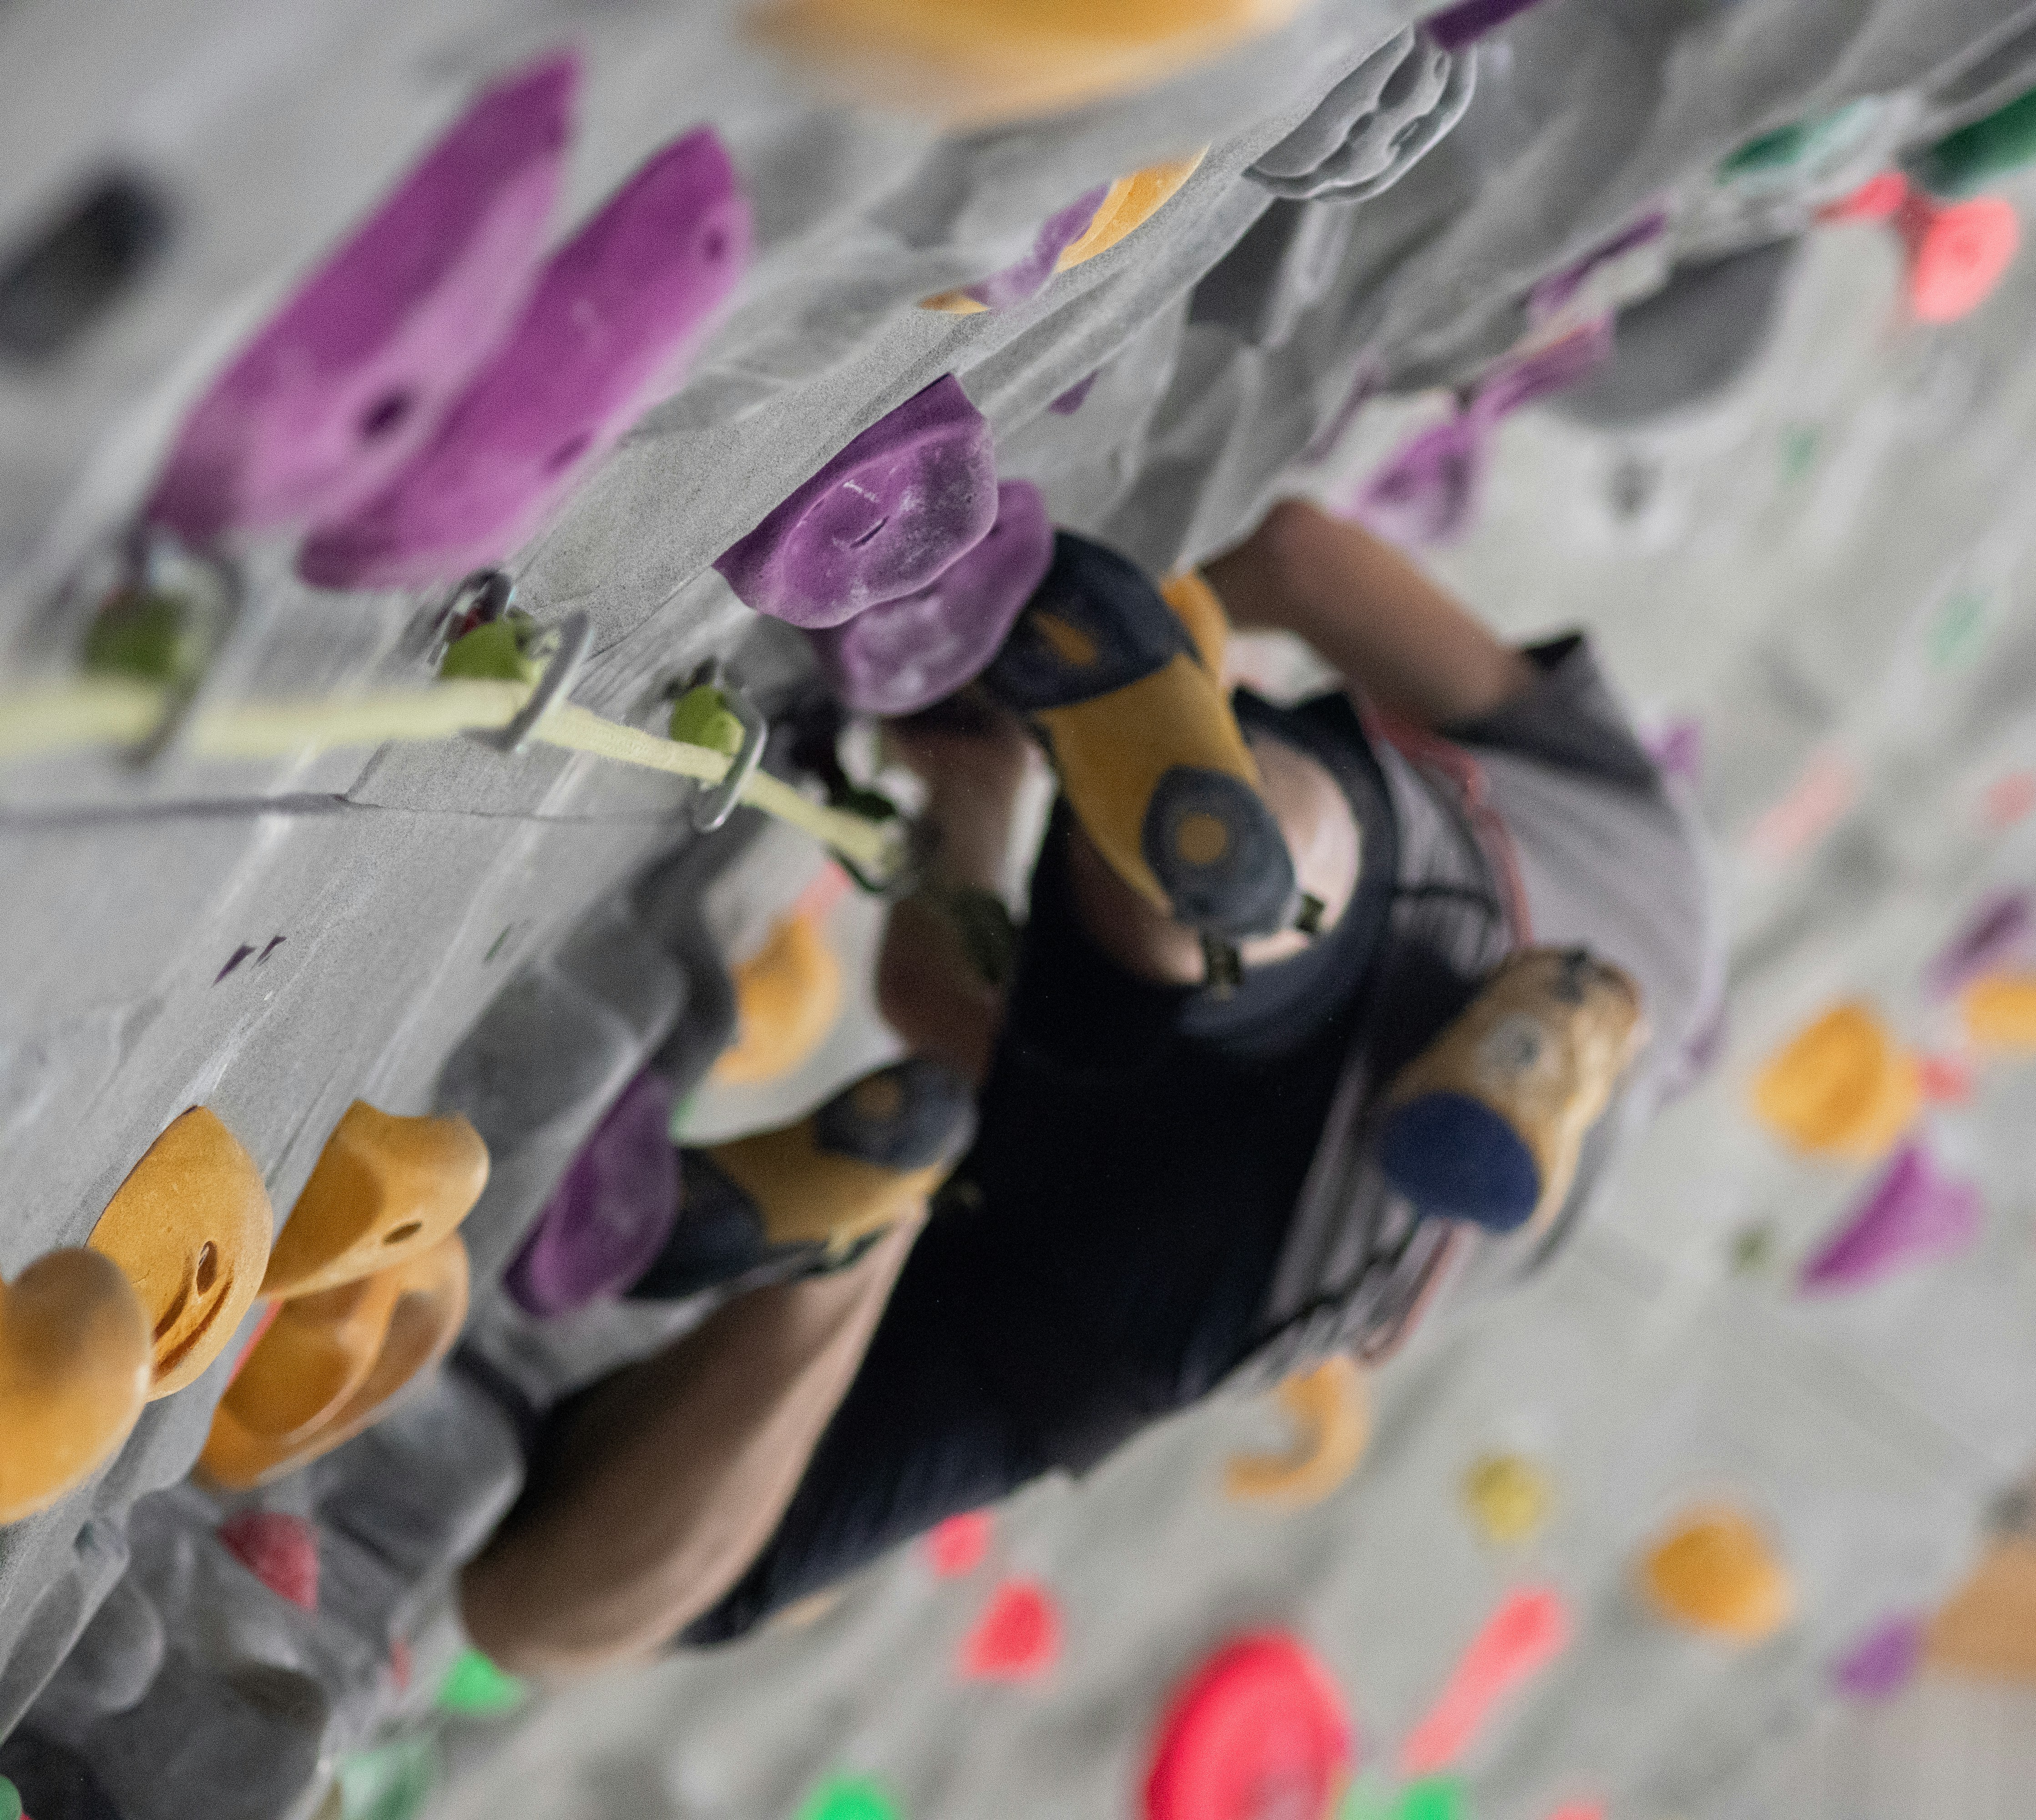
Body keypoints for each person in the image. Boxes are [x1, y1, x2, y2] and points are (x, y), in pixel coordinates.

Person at [458, 500, 1717, 1671]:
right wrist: (973, 800)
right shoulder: (1520, 1235)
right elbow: (958, 1025)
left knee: (1261, 896)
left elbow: (1298, 560)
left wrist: (1095, 631)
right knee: (543, 1617)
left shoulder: (1671, 895)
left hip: (1450, 938)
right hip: (1269, 1280)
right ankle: (845, 1252)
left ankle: (1229, 833)